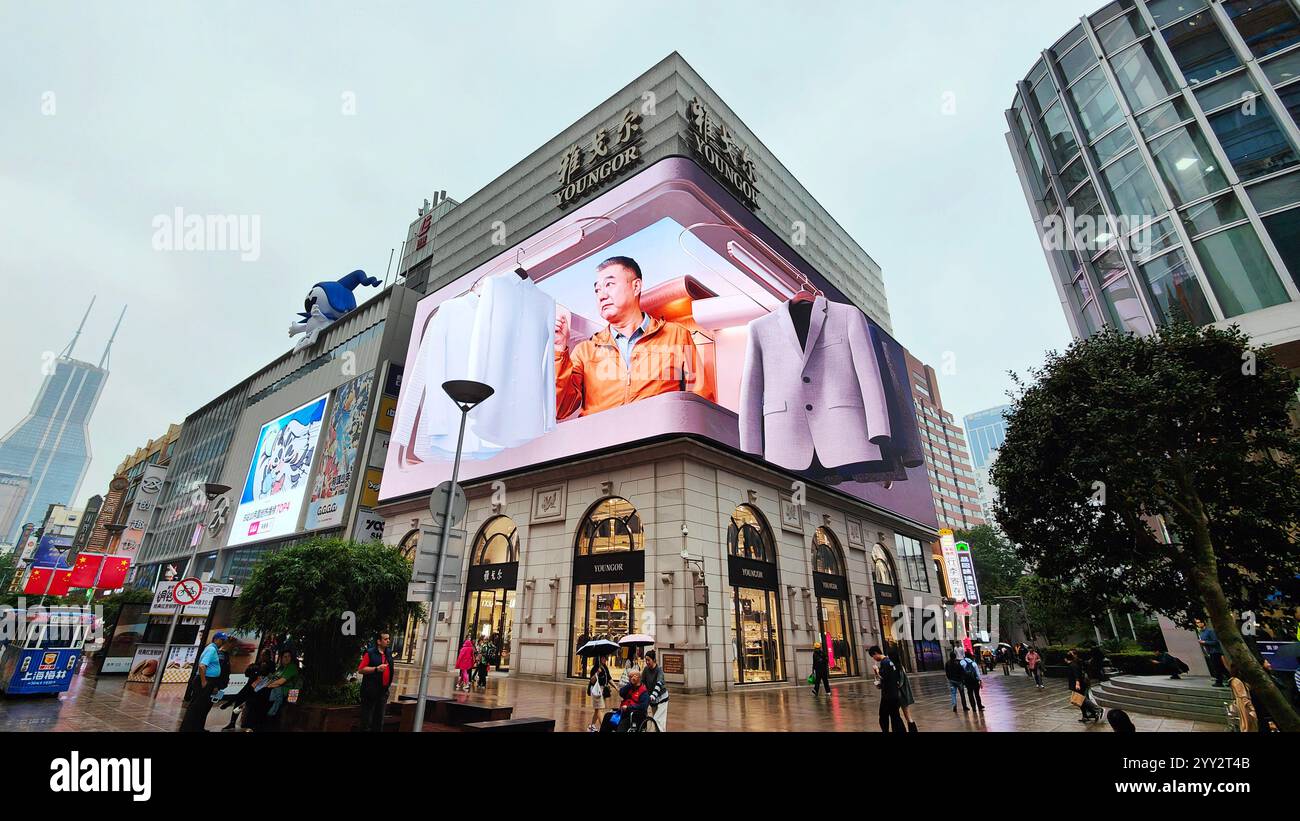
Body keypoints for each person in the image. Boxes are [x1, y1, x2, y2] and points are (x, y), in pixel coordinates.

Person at [554, 256, 708, 418]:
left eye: (609, 284)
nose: (601, 296)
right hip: (604, 441)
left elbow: (701, 399)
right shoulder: (585, 351)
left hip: (661, 440)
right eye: (597, 290)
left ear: (636, 286)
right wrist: (558, 348)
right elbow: (561, 409)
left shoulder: (677, 336)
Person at [179, 631, 229, 732]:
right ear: (216, 639)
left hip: (208, 680)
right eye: (222, 640)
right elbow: (202, 666)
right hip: (205, 680)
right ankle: (188, 728)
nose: (223, 643)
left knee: (202, 706)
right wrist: (204, 682)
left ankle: (197, 727)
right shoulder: (211, 649)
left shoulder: (213, 649)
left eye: (224, 641)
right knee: (196, 706)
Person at [357, 632, 395, 733]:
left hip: (383, 692)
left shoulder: (389, 653)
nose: (388, 641)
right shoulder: (370, 653)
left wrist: (387, 687)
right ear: (379, 641)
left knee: (379, 722)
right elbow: (361, 669)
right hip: (370, 692)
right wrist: (376, 669)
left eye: (388, 639)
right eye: (385, 639)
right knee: (367, 722)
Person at [869, 646, 906, 733]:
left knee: (883, 716)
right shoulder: (890, 662)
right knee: (895, 716)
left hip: (888, 696)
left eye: (873, 656)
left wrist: (876, 670)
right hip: (894, 694)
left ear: (875, 653)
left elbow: (883, 677)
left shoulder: (885, 662)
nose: (873, 658)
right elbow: (890, 679)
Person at [265, 649, 300, 728]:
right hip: (276, 689)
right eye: (285, 656)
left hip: (288, 692)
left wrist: (268, 685)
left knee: (264, 695)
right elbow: (272, 678)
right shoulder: (280, 668)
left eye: (289, 656)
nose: (287, 658)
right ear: (281, 658)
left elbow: (280, 682)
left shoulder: (292, 667)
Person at [1066, 650, 1102, 723]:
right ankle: (1086, 715)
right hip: (1080, 683)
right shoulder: (1075, 662)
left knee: (1082, 700)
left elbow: (1077, 674)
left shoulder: (1077, 663)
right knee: (1080, 700)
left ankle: (1097, 710)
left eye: (1071, 654)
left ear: (1075, 655)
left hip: (1082, 684)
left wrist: (1077, 683)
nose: (1070, 655)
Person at [641, 650, 669, 731]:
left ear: (654, 660)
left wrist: (653, 695)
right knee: (652, 720)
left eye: (648, 660)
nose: (647, 662)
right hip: (652, 700)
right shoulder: (646, 670)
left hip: (662, 699)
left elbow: (659, 683)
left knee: (658, 719)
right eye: (646, 660)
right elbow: (642, 683)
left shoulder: (659, 670)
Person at [1196, 618, 1227, 687]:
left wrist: (1204, 642)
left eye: (1198, 622)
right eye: (1196, 623)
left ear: (1203, 623)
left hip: (1215, 652)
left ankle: (1219, 681)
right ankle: (1229, 679)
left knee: (1218, 667)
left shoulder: (1210, 631)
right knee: (1220, 667)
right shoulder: (1201, 633)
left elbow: (1215, 641)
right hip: (1210, 652)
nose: (1197, 624)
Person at [586, 655, 611, 732]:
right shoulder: (595, 669)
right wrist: (597, 672)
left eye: (604, 658)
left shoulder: (605, 668)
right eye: (603, 658)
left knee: (597, 710)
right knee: (600, 709)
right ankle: (604, 728)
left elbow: (609, 678)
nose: (604, 659)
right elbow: (592, 681)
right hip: (596, 691)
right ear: (599, 659)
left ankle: (592, 726)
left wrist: (616, 688)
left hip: (602, 691)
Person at [895, 654, 918, 732]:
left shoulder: (899, 668)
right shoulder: (901, 667)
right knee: (907, 715)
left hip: (902, 695)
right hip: (903, 695)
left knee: (906, 715)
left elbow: (899, 683)